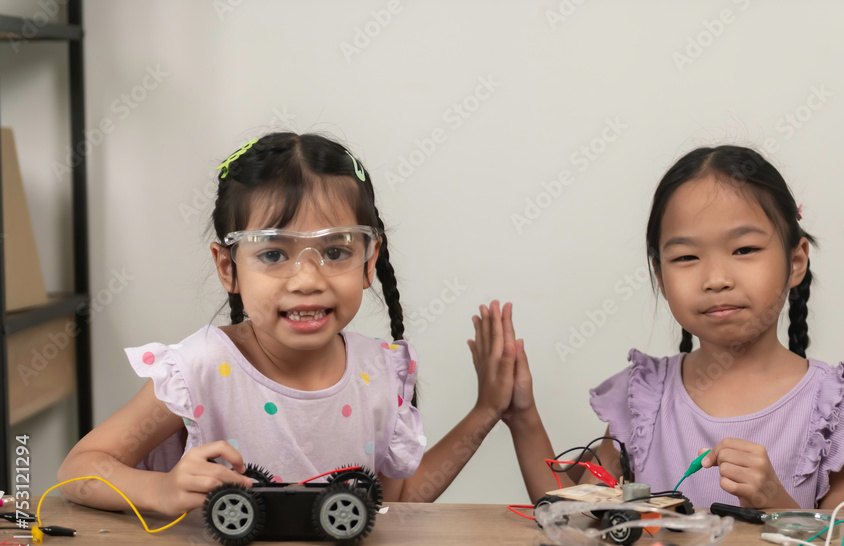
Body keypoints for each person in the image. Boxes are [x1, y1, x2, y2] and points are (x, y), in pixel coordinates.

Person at [58, 132, 515, 515]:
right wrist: (160, 490)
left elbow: (395, 503)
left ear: (369, 260)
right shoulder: (198, 370)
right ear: (228, 267)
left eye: (335, 251)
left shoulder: (378, 373)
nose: (307, 280)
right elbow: (79, 469)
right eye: (274, 253)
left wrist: (487, 410)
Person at [472, 145, 844, 510]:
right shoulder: (643, 398)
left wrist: (774, 500)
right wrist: (522, 417)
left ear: (796, 262)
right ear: (661, 277)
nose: (716, 279)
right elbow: (575, 517)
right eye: (685, 257)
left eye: (744, 249)